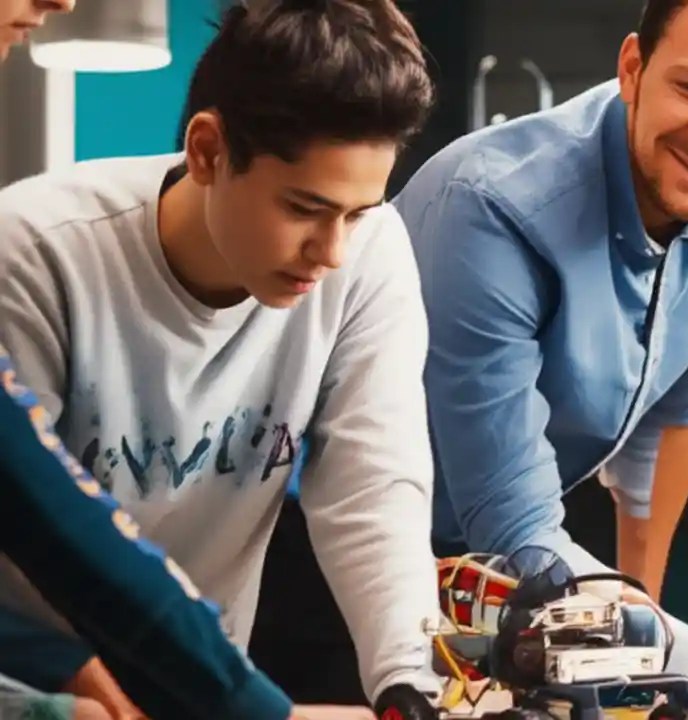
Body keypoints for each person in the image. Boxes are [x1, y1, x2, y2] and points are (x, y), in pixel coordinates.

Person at [0, 0, 443, 716]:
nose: (331, 253)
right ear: (207, 151)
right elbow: (47, 528)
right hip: (45, 693)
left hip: (208, 687)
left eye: (357, 214)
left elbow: (374, 487)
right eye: (303, 208)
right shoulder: (31, 253)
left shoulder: (368, 253)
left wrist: (408, 687)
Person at [392, 0, 688, 705]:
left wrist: (644, 635)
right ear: (633, 68)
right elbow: (510, 520)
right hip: (343, 542)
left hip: (520, 554)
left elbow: (682, 412)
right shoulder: (490, 205)